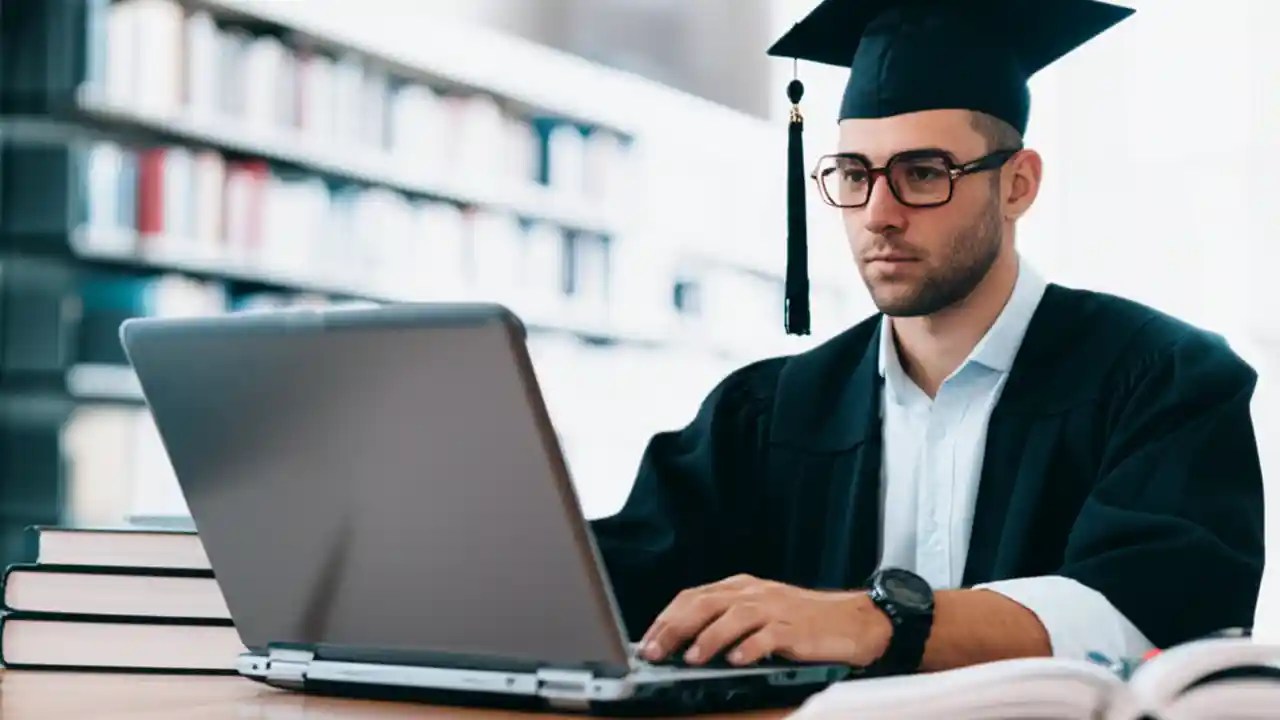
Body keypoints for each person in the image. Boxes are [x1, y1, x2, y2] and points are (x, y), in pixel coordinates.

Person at [588, 0, 1266, 677]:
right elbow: (609, 589)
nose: (879, 215)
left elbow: (1156, 612)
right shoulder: (763, 414)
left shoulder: (1162, 379)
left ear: (1018, 185)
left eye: (923, 174)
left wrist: (875, 621)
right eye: (855, 175)